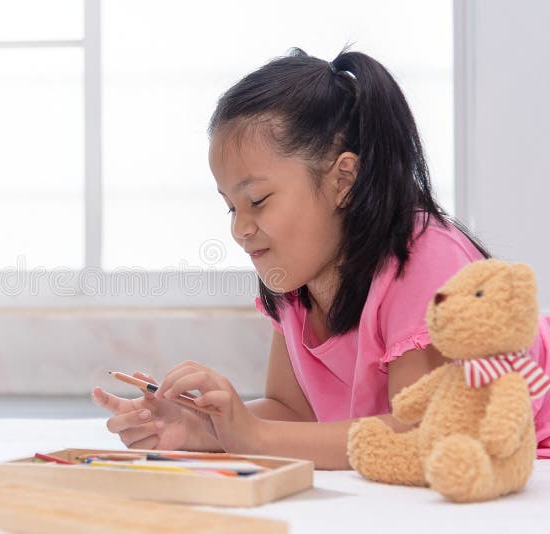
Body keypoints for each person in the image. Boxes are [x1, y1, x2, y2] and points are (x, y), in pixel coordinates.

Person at [91, 46, 550, 469]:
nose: (239, 228)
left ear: (343, 179)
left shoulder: (424, 260)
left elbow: (423, 433)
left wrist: (255, 437)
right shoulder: (295, 278)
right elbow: (294, 412)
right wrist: (206, 428)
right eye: (231, 207)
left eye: (257, 200)